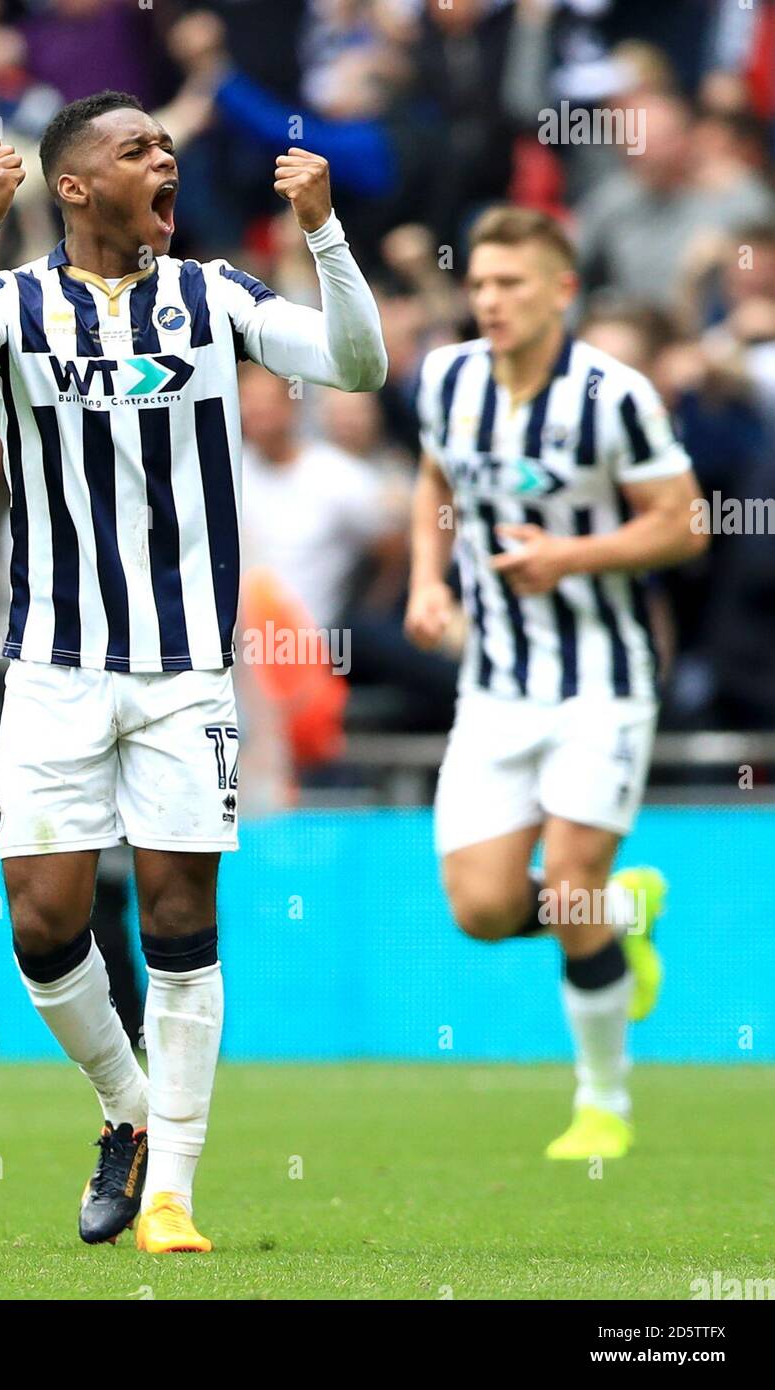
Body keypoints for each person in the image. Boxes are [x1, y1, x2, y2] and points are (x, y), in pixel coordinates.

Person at [0, 88, 386, 1252]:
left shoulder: (214, 294)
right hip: (55, 663)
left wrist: (325, 234)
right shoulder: (17, 304)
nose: (164, 158)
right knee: (41, 920)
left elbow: (355, 367)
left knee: (179, 913)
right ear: (75, 187)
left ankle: (171, 1185)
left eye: (166, 146)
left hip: (185, 669)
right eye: (137, 149)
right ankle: (123, 1106)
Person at [406, 206, 706, 1161]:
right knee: (484, 911)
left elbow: (683, 523)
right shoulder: (448, 379)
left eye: (511, 285)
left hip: (601, 682)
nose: (489, 301)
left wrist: (570, 556)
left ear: (560, 291)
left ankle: (601, 1103)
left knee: (569, 879)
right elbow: (433, 481)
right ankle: (629, 910)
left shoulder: (613, 395)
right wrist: (425, 578)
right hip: (494, 686)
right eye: (481, 284)